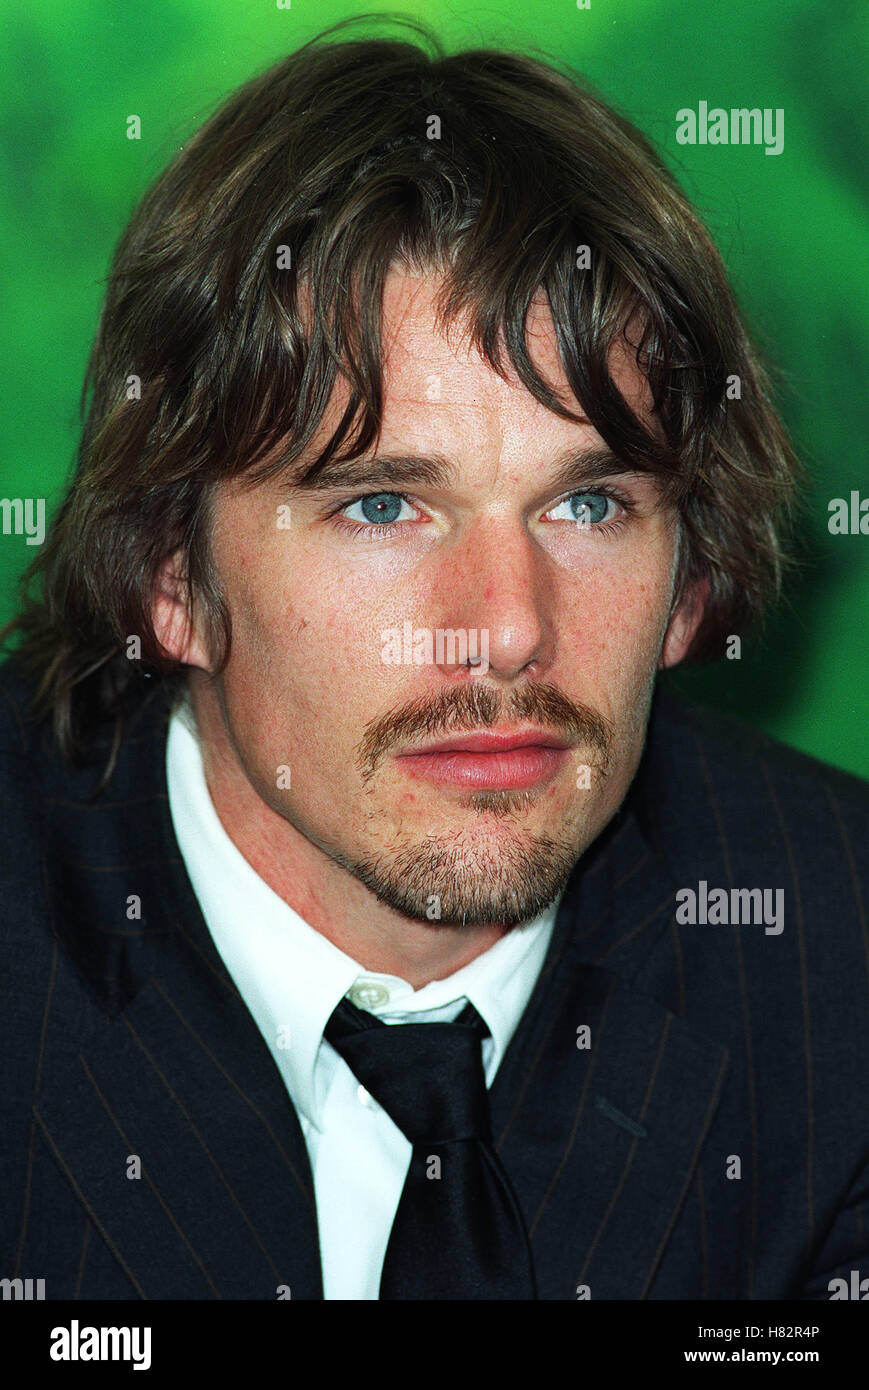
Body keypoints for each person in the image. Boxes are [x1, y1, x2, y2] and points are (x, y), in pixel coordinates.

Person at [2, 19, 868, 1302]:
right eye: (381, 506)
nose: (507, 627)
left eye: (588, 506)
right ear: (167, 577)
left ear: (689, 587)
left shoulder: (835, 961)